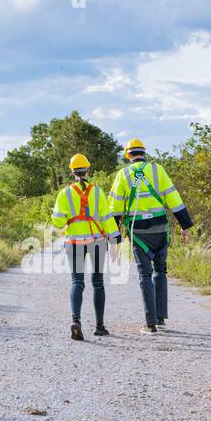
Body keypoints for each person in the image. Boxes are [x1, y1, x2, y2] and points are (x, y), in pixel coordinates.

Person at [109, 138, 193, 334]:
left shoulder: (123, 174)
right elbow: (173, 197)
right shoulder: (158, 170)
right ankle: (161, 318)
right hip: (160, 227)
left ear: (127, 155)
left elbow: (115, 208)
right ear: (144, 153)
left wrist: (114, 239)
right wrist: (185, 225)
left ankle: (150, 324)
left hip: (138, 230)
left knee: (144, 274)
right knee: (160, 270)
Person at [50, 153, 121, 340]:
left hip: (74, 243)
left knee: (77, 282)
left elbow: (58, 222)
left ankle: (76, 321)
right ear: (88, 169)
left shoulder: (64, 194)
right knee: (98, 283)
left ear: (72, 171)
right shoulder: (98, 192)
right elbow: (107, 219)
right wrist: (115, 242)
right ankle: (99, 326)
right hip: (97, 242)